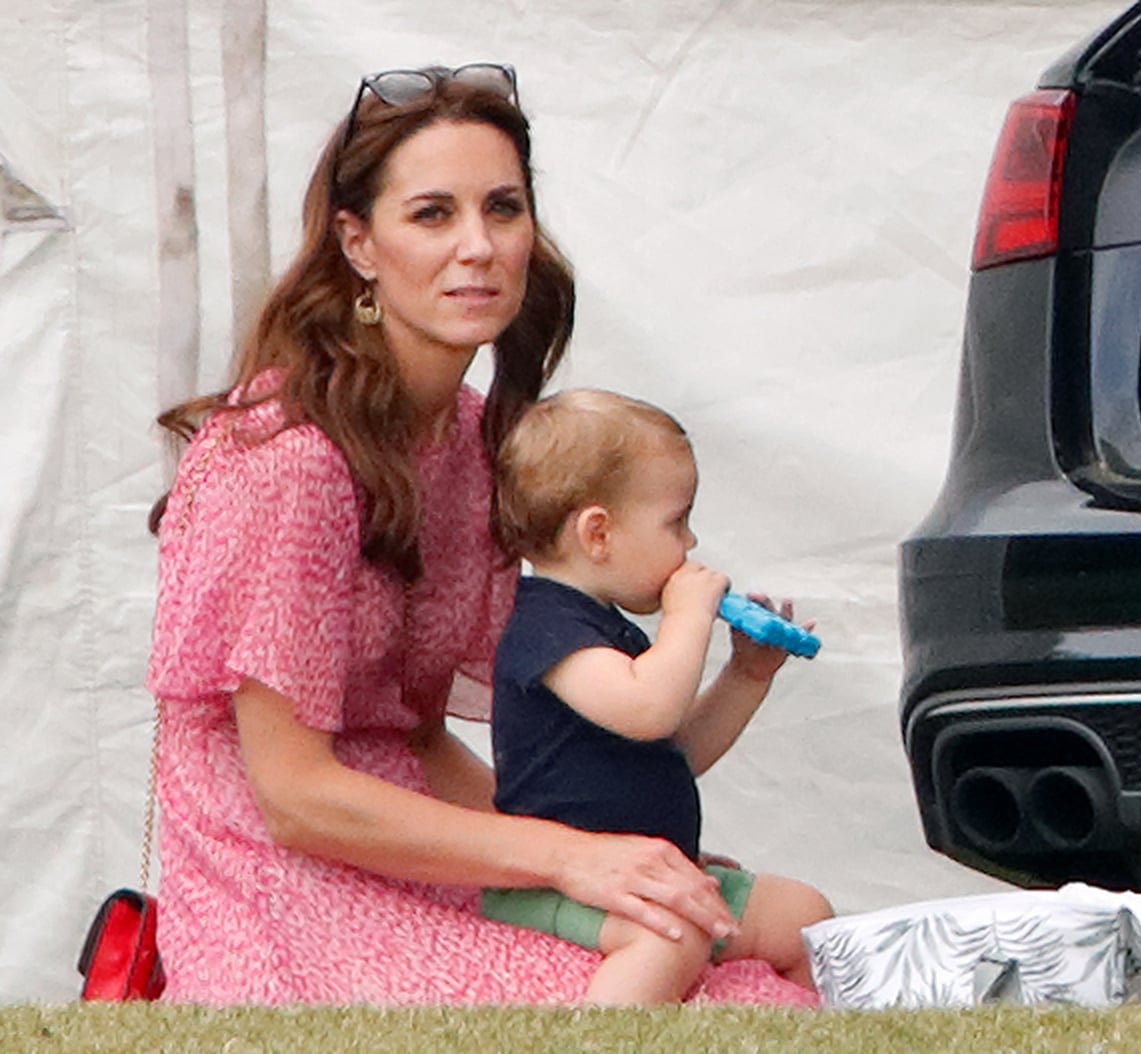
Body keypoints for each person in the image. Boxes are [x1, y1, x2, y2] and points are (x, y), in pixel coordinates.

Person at [144, 64, 818, 1006]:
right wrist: (567, 859)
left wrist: (610, 858)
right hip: (277, 887)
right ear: (359, 243)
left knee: (761, 949)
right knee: (709, 992)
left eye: (502, 209)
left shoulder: (470, 439)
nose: (478, 247)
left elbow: (415, 737)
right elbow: (294, 797)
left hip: (423, 845)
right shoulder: (289, 457)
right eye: (432, 214)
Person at [485, 388, 833, 1005]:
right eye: (676, 522)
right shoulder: (544, 627)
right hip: (561, 884)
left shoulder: (611, 628)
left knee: (805, 919)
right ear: (598, 534)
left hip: (661, 873)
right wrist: (688, 617)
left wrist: (746, 676)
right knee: (670, 938)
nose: (691, 544)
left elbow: (675, 750)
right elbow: (648, 712)